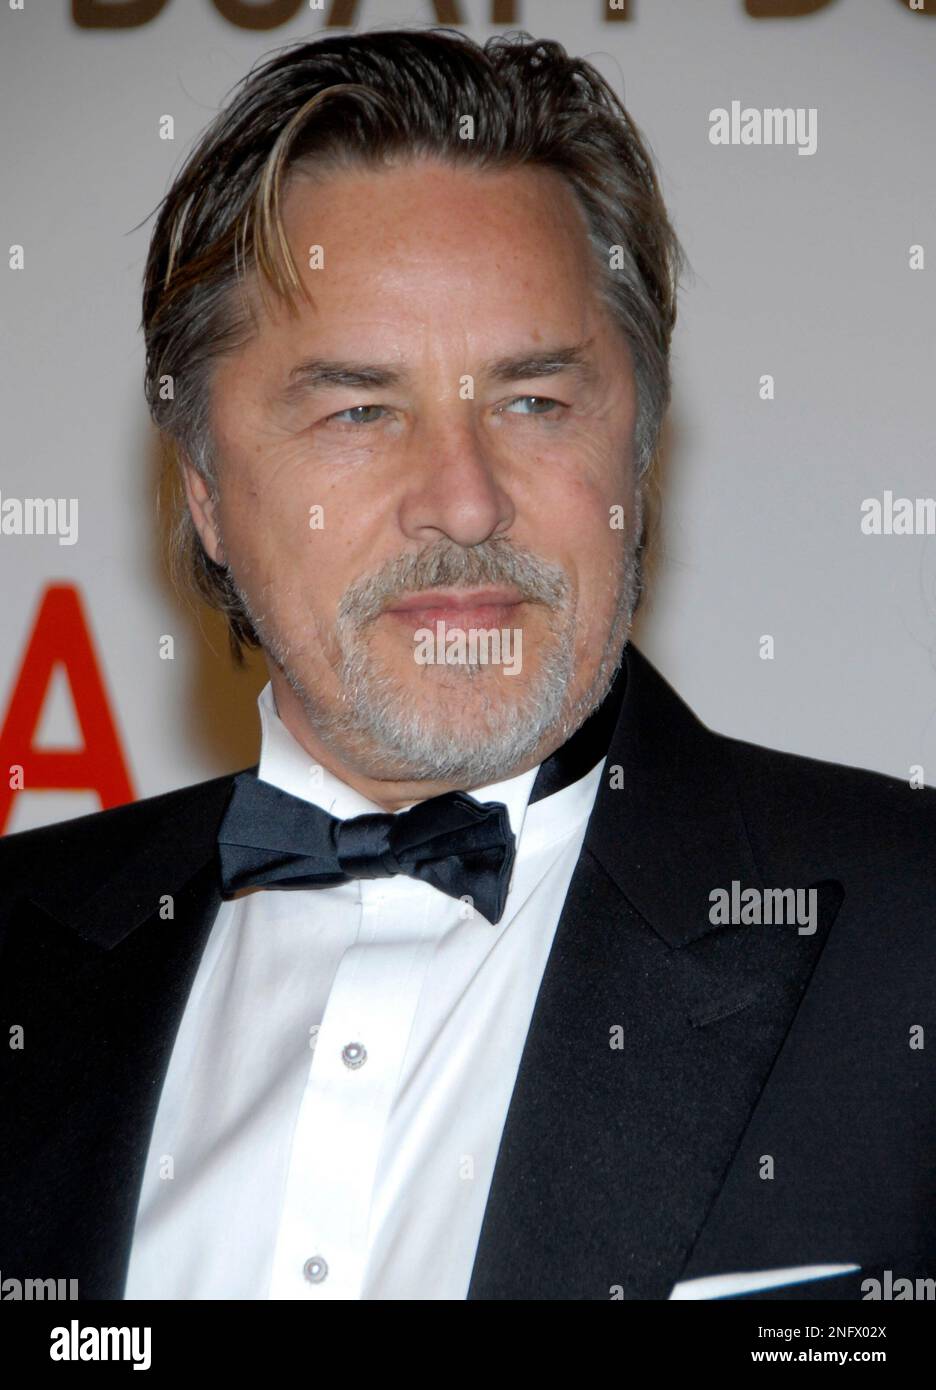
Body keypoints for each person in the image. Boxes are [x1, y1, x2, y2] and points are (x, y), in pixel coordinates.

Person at [1, 27, 933, 1303]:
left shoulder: (908, 938)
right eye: (360, 409)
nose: (466, 500)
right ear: (207, 493)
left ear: (641, 450)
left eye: (535, 401)